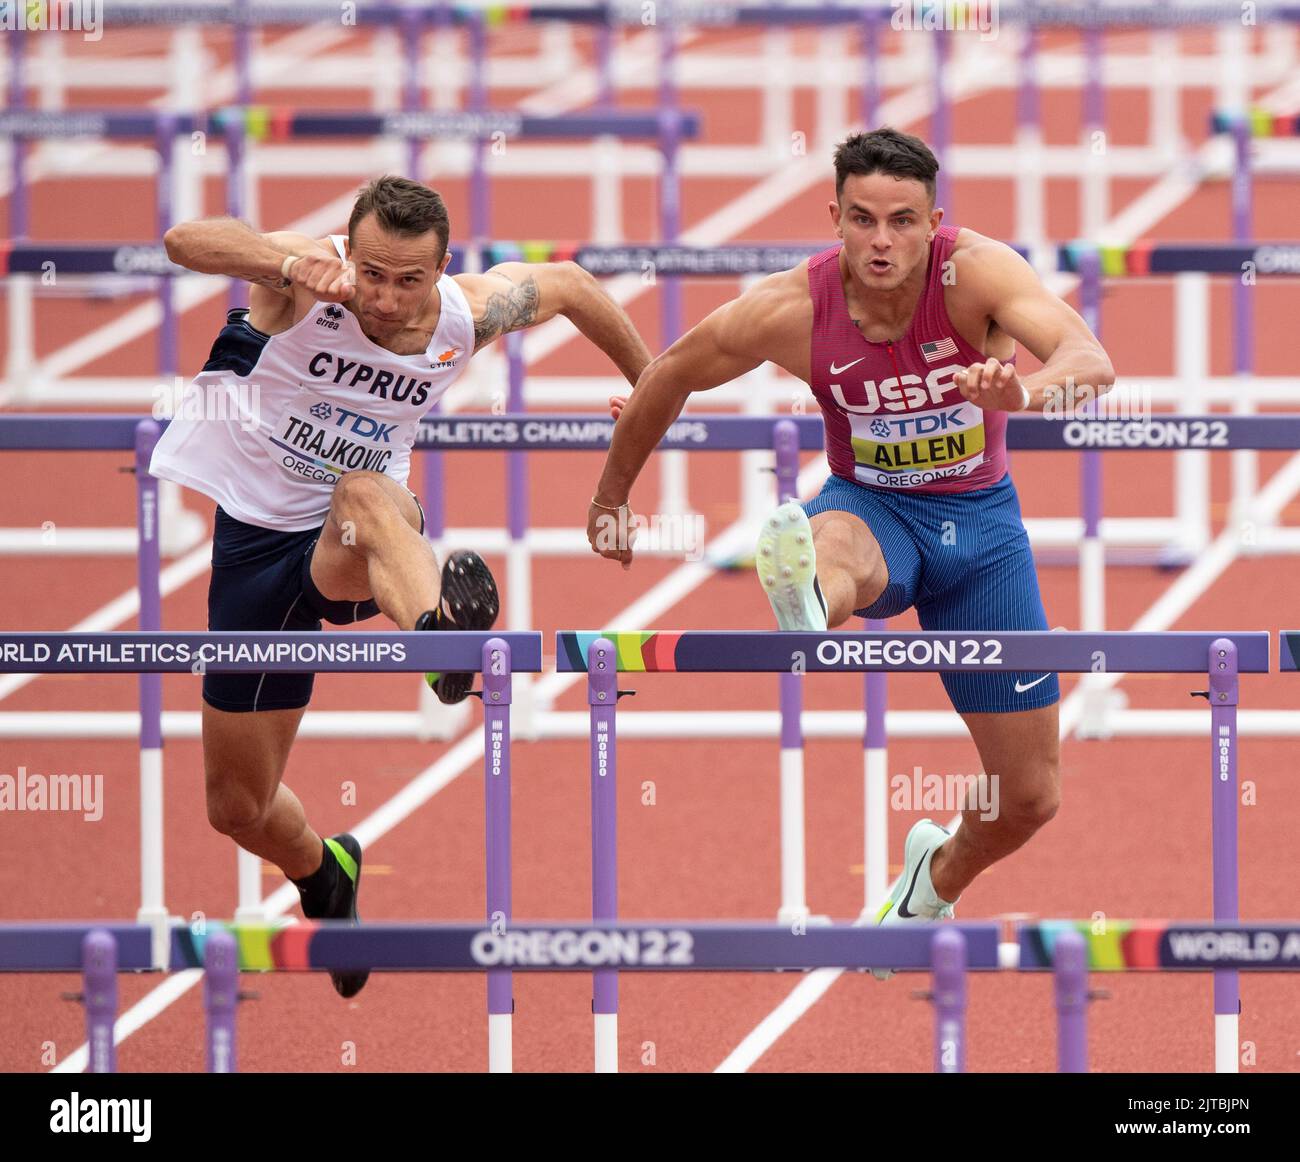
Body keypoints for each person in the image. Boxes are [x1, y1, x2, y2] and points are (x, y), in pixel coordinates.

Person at [586, 129, 1114, 976]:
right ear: (833, 216)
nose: (880, 241)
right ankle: (809, 603)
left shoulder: (977, 273)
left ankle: (928, 882)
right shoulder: (792, 308)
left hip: (982, 531)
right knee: (831, 542)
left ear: (934, 221)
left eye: (902, 222)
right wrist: (611, 501)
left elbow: (1091, 359)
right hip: (870, 508)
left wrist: (1027, 390)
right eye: (862, 219)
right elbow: (674, 371)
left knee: (1029, 798)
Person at [156, 175, 651, 996]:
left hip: (362, 546)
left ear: (442, 269)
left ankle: (439, 637)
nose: (385, 299)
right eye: (372, 274)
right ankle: (325, 872)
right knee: (237, 808)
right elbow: (184, 242)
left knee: (362, 492)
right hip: (254, 550)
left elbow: (570, 286)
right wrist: (287, 264)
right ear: (350, 253)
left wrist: (649, 389)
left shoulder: (462, 316)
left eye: (409, 280)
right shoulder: (306, 277)